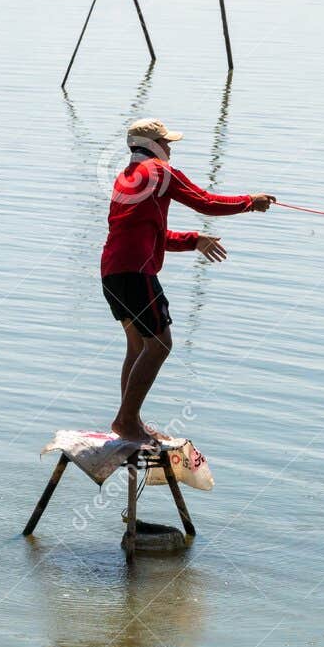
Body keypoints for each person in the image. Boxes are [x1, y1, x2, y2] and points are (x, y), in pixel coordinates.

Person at [100, 118, 275, 443]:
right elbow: (205, 202)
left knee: (137, 346)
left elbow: (147, 234)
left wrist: (193, 240)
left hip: (112, 273)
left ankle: (129, 421)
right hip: (136, 273)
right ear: (153, 146)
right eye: (166, 143)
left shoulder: (125, 179)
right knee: (160, 344)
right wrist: (250, 202)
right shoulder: (160, 172)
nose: (169, 148)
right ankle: (126, 421)